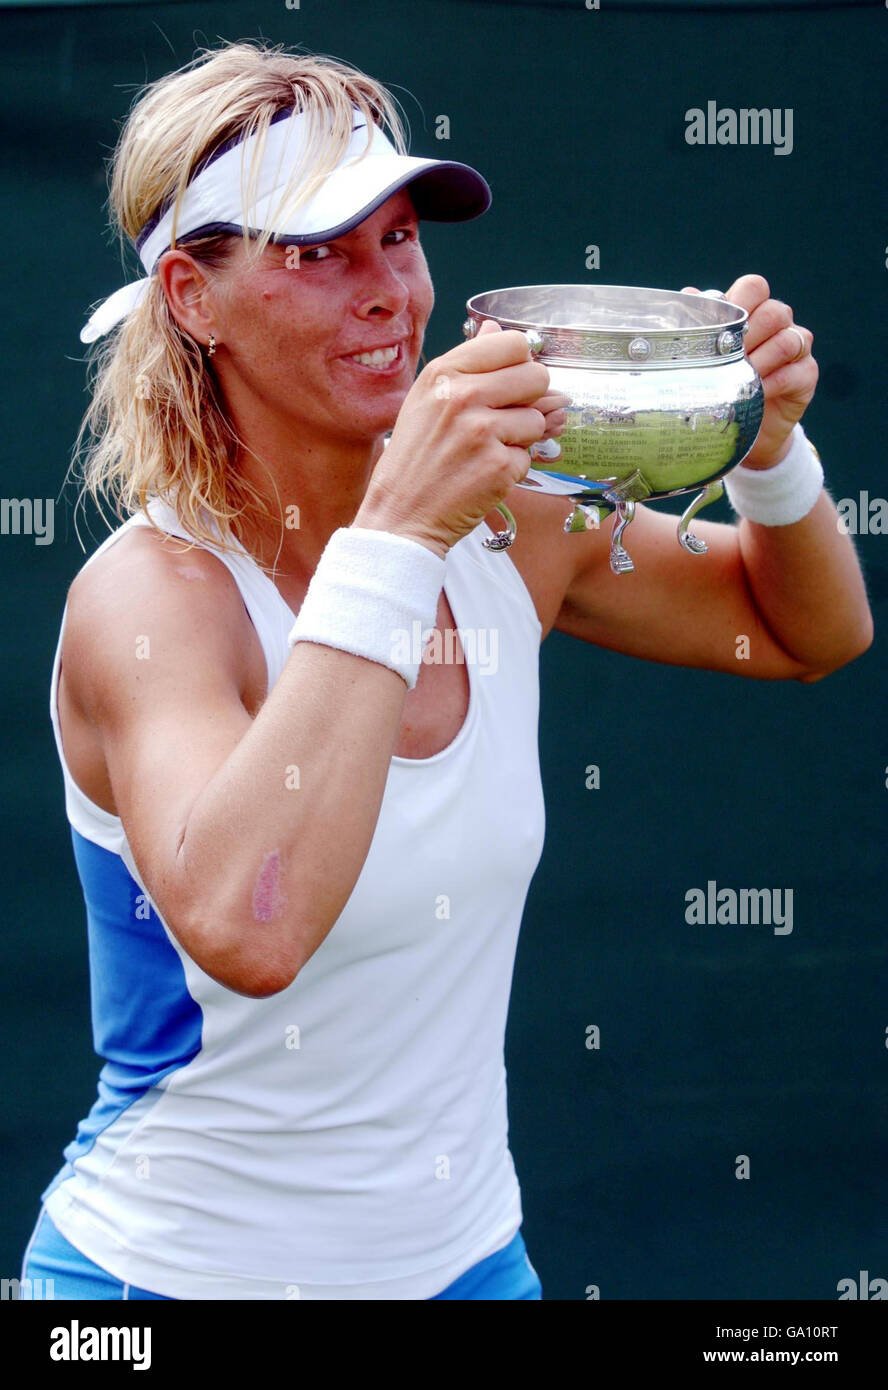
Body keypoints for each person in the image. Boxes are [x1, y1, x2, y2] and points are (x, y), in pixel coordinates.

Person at [21, 39, 871, 1301]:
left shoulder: (507, 526)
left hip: (471, 1272)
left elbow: (805, 631)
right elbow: (255, 930)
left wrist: (768, 453)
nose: (386, 292)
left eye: (401, 238)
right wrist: (399, 538)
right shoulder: (153, 600)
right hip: (159, 1287)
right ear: (194, 298)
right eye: (317, 253)